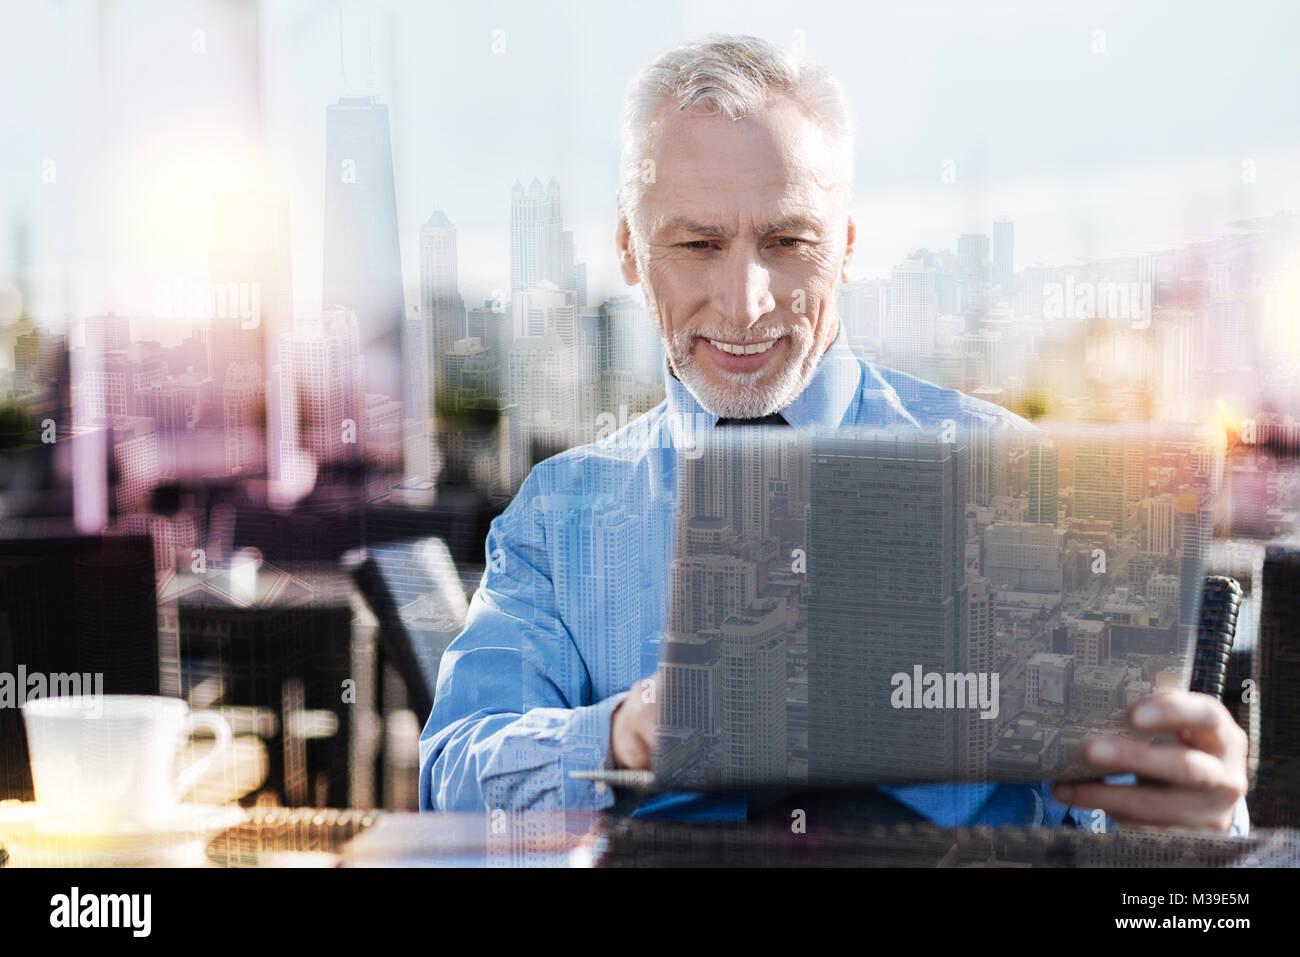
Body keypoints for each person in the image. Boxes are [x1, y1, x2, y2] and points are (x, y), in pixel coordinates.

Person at [419, 34, 1249, 833]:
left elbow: (1129, 851)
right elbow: (452, 780)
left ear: (845, 246)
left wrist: (1204, 833)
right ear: (631, 252)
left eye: (788, 242)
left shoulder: (1018, 475)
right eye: (698, 244)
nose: (745, 304)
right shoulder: (560, 514)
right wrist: (622, 733)